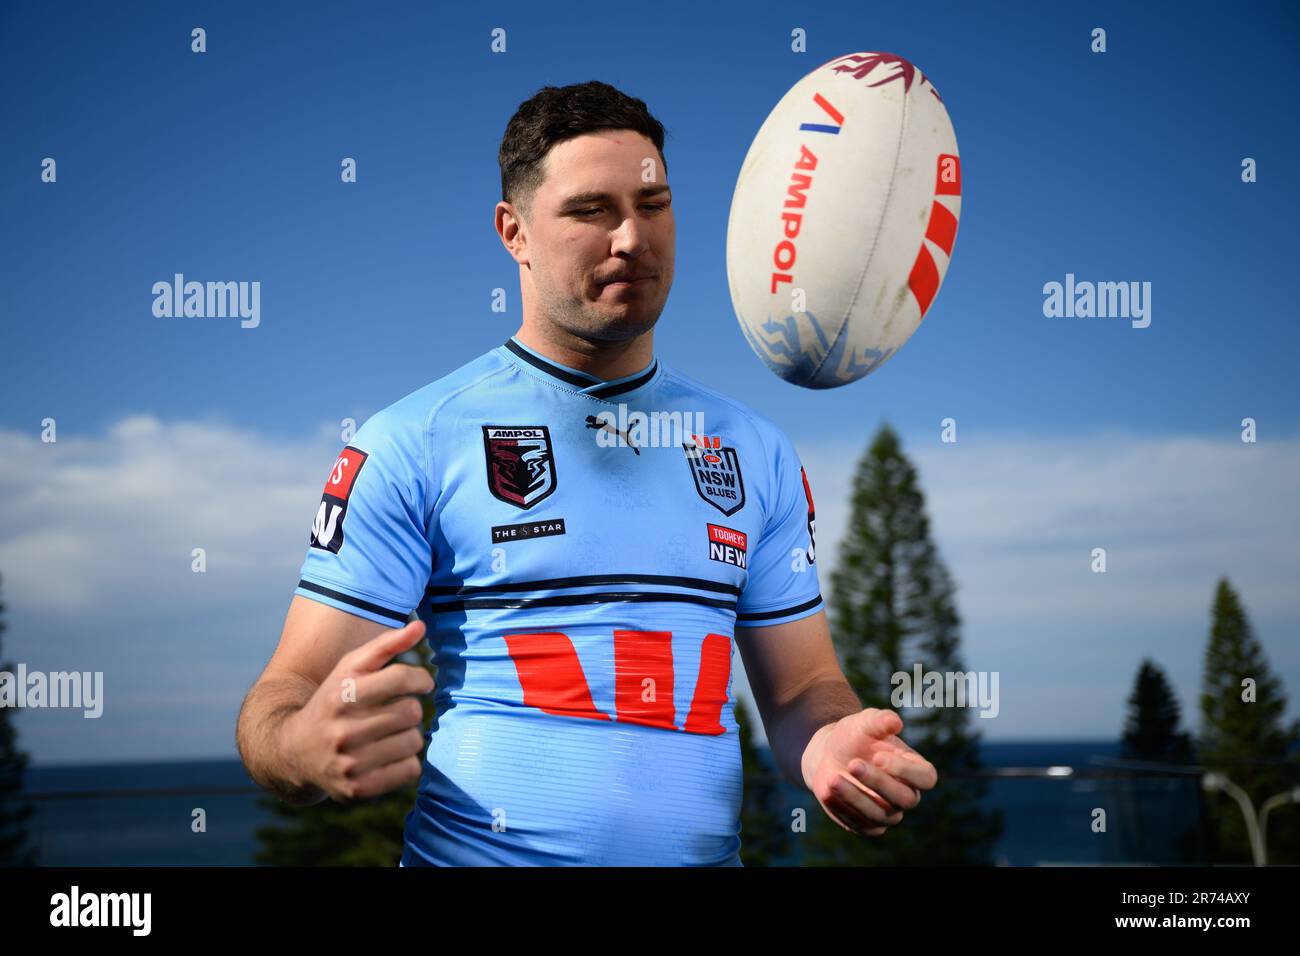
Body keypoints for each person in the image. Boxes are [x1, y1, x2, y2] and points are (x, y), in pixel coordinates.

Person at [236, 80, 936, 865]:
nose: (633, 239)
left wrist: (832, 744)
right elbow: (280, 701)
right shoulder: (410, 443)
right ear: (515, 233)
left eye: (653, 205)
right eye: (590, 211)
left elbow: (802, 689)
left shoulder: (753, 449)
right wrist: (303, 744)